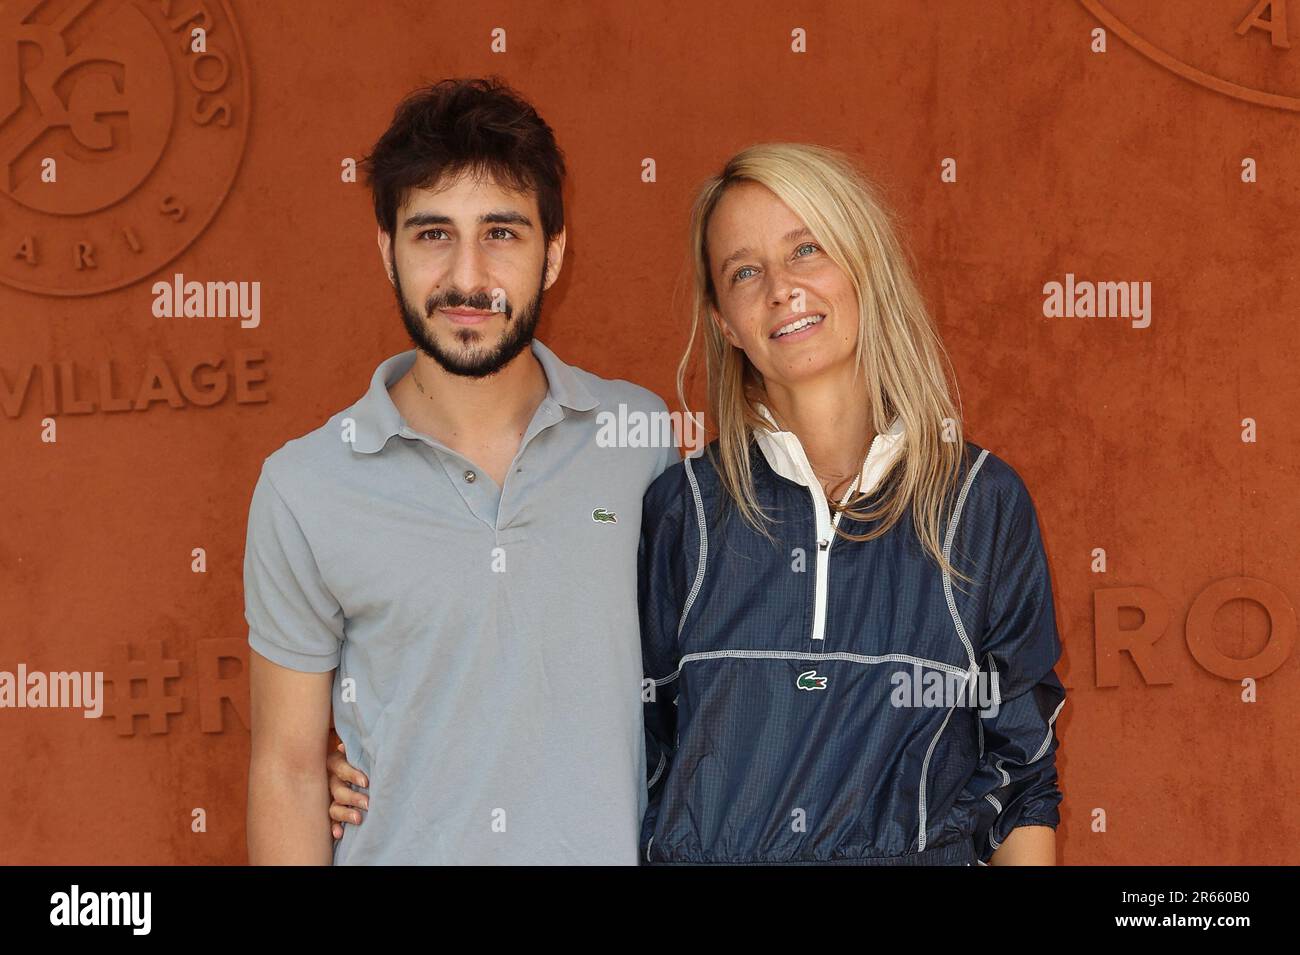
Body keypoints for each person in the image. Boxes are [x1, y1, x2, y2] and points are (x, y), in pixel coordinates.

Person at [326, 142, 1067, 865]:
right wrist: (390, 769)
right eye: (745, 272)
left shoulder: (981, 504)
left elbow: (1023, 775)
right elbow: (591, 727)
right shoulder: (680, 512)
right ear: (723, 321)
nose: (781, 289)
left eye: (806, 250)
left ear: (865, 266)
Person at [244, 77, 673, 865]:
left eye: (502, 233)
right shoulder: (304, 487)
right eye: (433, 233)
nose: (468, 278)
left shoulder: (638, 438)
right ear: (387, 249)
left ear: (554, 253)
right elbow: (287, 767)